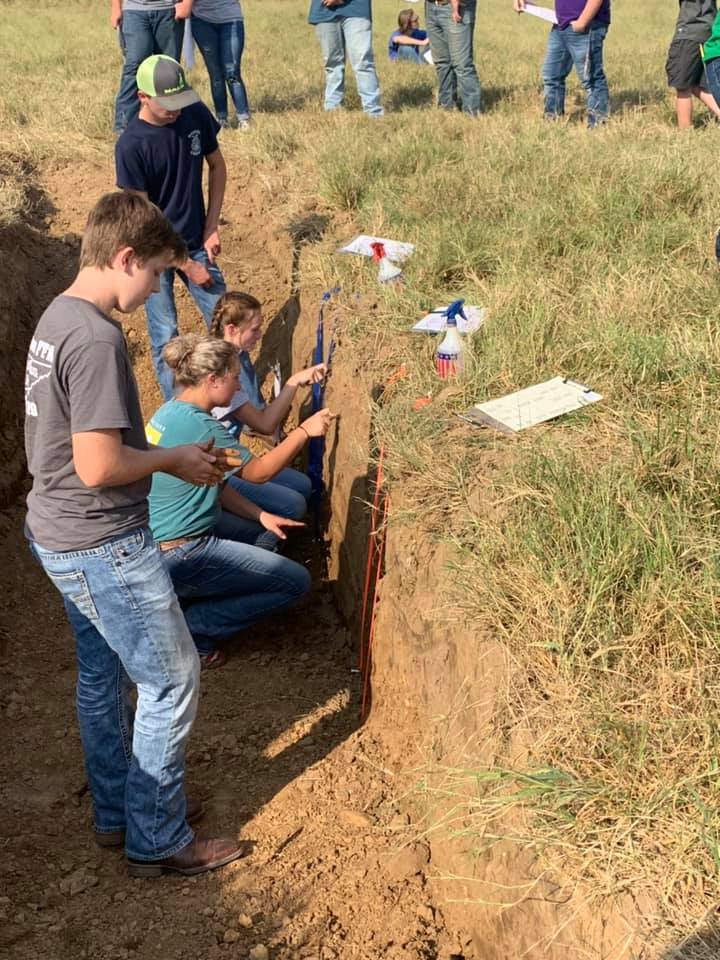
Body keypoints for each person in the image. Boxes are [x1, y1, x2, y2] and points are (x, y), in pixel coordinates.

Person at [24, 191, 247, 877]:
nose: (157, 287)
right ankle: (157, 835)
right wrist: (174, 459)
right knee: (172, 678)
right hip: (102, 541)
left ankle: (119, 811)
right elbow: (99, 465)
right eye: (155, 273)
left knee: (101, 673)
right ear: (125, 258)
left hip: (57, 531)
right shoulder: (94, 338)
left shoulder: (56, 317)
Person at [146, 333, 336, 668]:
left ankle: (219, 589)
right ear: (212, 379)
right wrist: (304, 432)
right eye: (234, 379)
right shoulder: (201, 425)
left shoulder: (170, 412)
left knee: (266, 533)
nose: (237, 388)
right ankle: (195, 628)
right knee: (295, 583)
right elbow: (259, 473)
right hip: (182, 552)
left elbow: (214, 484)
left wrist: (260, 514)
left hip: (163, 544)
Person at [115, 54, 227, 401]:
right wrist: (185, 263)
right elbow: (143, 220)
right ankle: (178, 414)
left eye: (179, 100)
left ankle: (250, 411)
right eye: (167, 105)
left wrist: (211, 227)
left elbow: (217, 166)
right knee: (166, 334)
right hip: (154, 253)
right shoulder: (132, 145)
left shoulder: (192, 113)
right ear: (143, 97)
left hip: (195, 239)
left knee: (227, 326)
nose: (175, 110)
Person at [209, 292, 323, 523]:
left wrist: (295, 381)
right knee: (295, 504)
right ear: (231, 329)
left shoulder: (224, 357)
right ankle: (248, 529)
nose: (260, 335)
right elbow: (265, 424)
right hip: (217, 475)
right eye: (254, 329)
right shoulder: (223, 376)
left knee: (302, 485)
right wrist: (293, 384)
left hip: (228, 465)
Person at [513, 0, 610, 128]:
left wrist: (582, 21)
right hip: (561, 25)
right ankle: (552, 120)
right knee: (552, 76)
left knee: (591, 79)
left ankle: (597, 125)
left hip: (586, 26)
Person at [111, 0, 192, 134]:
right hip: (134, 10)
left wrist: (187, 4)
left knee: (169, 69)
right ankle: (124, 127)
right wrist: (115, 7)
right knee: (134, 67)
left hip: (169, 10)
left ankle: (172, 124)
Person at [308, 0, 384, 117]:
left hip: (356, 8)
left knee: (362, 61)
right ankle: (332, 109)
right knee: (332, 63)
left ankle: (373, 112)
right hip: (324, 10)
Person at [191, 0, 252, 130]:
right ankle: (221, 118)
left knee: (232, 72)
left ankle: (243, 117)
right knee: (215, 74)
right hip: (202, 20)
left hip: (230, 19)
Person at [666, 0, 719, 128]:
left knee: (682, 84)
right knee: (696, 84)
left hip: (690, 29)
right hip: (709, 27)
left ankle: (684, 133)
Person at [424, 0, 482, 116]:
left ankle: (472, 112)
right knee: (442, 63)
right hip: (431, 7)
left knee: (462, 64)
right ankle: (446, 107)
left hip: (456, 8)